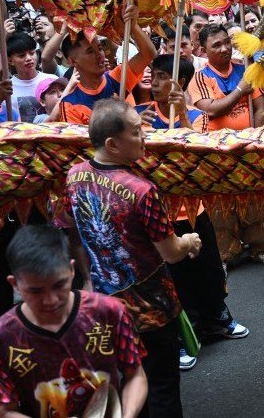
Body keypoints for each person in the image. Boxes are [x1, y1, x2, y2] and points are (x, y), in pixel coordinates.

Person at [56, 99, 201, 418]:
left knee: (133, 381)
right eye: (136, 132)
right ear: (112, 143)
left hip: (106, 307)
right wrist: (189, 239)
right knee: (161, 384)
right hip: (150, 309)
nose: (145, 136)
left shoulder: (74, 177)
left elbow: (71, 227)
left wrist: (89, 275)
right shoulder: (141, 191)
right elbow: (171, 253)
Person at [0, 225, 148, 417]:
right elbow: (3, 412)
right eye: (36, 291)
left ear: (71, 269)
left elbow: (135, 375)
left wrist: (126, 415)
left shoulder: (109, 311)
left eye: (59, 285)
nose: (50, 300)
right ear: (15, 284)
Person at [187, 25, 264, 267]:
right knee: (221, 203)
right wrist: (240, 90)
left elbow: (260, 108)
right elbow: (212, 109)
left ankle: (261, 247)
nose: (224, 48)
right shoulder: (200, 77)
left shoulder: (246, 70)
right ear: (203, 51)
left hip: (248, 146)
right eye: (216, 45)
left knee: (254, 198)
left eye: (226, 42)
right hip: (218, 152)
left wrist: (255, 134)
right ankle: (227, 253)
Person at [57, 4, 157, 125]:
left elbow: (148, 54)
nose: (99, 54)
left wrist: (133, 24)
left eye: (99, 48)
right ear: (72, 61)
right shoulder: (70, 104)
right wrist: (129, 123)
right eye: (90, 52)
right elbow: (80, 142)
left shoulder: (118, 77)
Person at [137, 55, 206, 131]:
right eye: (153, 75)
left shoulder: (197, 116)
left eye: (162, 77)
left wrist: (183, 115)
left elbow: (194, 142)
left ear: (180, 83)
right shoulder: (138, 112)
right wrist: (134, 123)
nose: (154, 82)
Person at [5, 32, 58, 122]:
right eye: (22, 56)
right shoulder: (7, 89)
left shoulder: (53, 80)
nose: (29, 58)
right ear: (10, 61)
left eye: (32, 53)